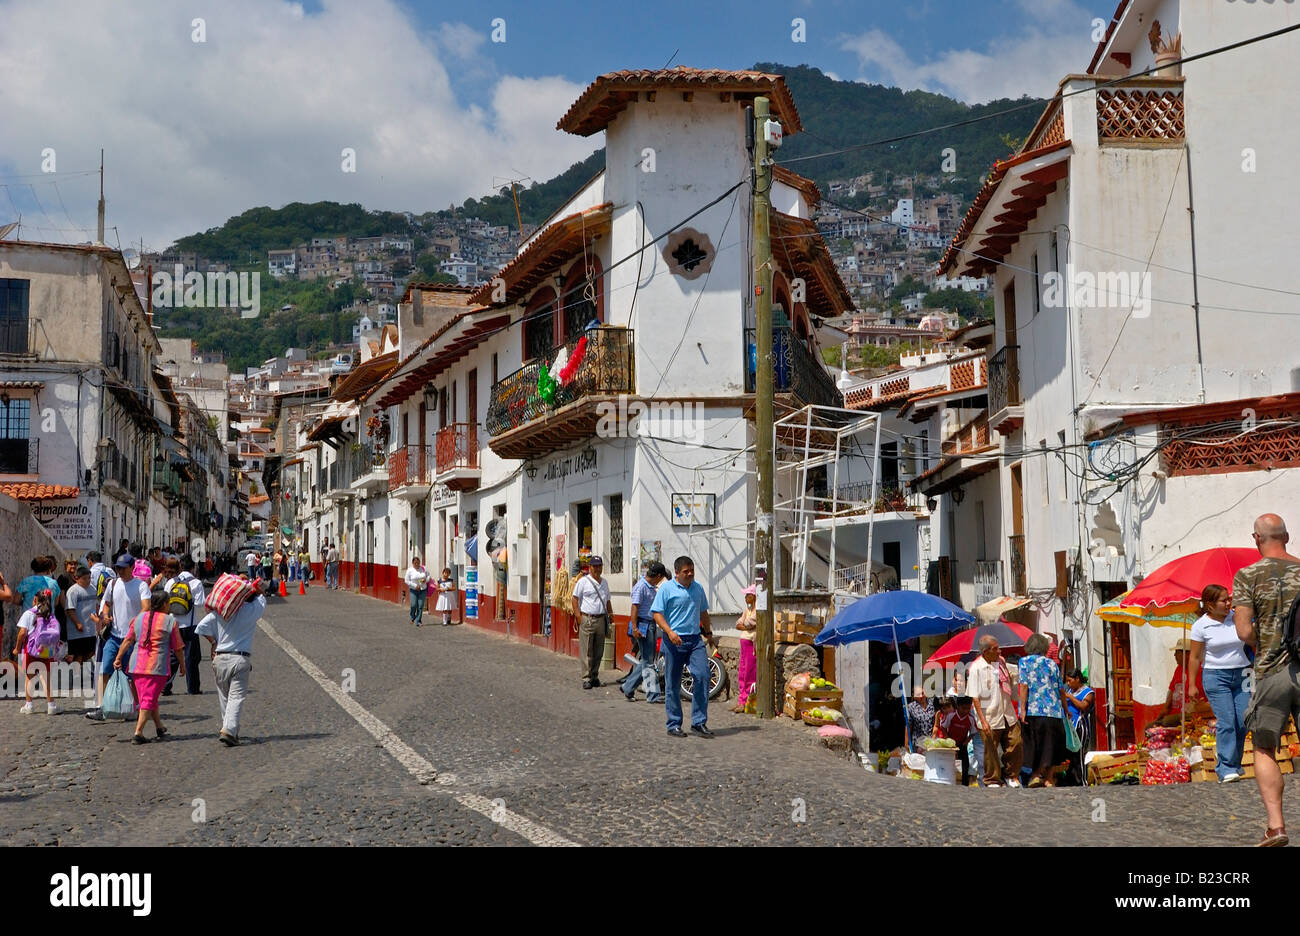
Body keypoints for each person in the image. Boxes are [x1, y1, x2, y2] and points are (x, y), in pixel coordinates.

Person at [1233, 513, 1300, 846]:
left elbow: (1244, 630)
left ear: (1256, 538)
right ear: (1287, 537)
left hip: (1272, 671)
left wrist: (1269, 642)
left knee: (1263, 747)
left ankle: (1277, 827)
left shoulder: (1247, 575)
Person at [1188, 584, 1251, 783]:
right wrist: (1192, 684)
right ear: (1209, 605)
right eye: (1223, 600)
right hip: (1216, 677)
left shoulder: (1236, 618)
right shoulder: (1200, 626)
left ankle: (1234, 763)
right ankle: (1225, 768)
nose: (1228, 603)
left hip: (1243, 674)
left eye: (1228, 599)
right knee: (1227, 721)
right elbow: (1195, 657)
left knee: (1243, 722)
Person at [196, 579, 267, 746]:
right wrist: (255, 589)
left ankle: (229, 729)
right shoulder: (253, 610)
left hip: (219, 658)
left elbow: (200, 627)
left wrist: (214, 642)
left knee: (224, 697)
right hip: (240, 658)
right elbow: (262, 596)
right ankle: (229, 730)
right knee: (236, 697)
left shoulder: (220, 612)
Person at [651, 555, 715, 738]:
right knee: (672, 683)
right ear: (677, 572)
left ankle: (699, 722)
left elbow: (703, 612)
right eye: (686, 571)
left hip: (695, 640)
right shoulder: (666, 589)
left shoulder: (698, 588)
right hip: (673, 641)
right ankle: (673, 724)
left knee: (703, 675)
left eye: (692, 571)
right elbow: (657, 614)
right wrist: (669, 632)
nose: (690, 574)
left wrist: (708, 633)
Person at [113, 588, 185, 743]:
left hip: (136, 665)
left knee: (148, 698)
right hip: (156, 666)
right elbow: (178, 647)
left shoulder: (138, 619)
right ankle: (138, 733)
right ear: (165, 604)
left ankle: (159, 727)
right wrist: (183, 665)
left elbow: (127, 640)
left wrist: (118, 657)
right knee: (148, 700)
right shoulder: (170, 621)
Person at [86, 553, 151, 722]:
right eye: (117, 568)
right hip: (114, 636)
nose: (120, 571)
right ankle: (102, 707)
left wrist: (136, 620)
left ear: (131, 568)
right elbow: (106, 603)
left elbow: (146, 607)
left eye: (122, 568)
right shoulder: (113, 584)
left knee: (132, 676)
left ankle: (133, 707)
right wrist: (105, 615)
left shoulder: (141, 586)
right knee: (104, 670)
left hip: (133, 639)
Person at [969, 634, 1023, 787]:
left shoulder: (1002, 663)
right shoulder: (976, 669)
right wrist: (982, 720)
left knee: (1016, 742)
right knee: (991, 749)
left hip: (1007, 712)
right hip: (989, 715)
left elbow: (1008, 685)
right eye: (995, 649)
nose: (999, 651)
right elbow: (975, 697)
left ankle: (1011, 775)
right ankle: (992, 779)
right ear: (985, 652)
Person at [1017, 633, 1070, 788]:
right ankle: (1048, 778)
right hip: (1054, 711)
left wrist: (1022, 710)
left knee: (1035, 744)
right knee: (1053, 745)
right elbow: (1060, 689)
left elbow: (1024, 686)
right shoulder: (1052, 663)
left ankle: (1035, 775)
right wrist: (1065, 709)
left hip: (1034, 710)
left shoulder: (1024, 662)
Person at [13, 589, 61, 714]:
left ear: (35, 599)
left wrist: (17, 648)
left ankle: (29, 705)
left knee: (29, 677)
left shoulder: (28, 614)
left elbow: (22, 633)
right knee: (45, 677)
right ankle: (51, 705)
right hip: (45, 649)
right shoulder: (50, 614)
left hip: (31, 649)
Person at [624, 562, 666, 704]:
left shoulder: (650, 587)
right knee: (648, 663)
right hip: (644, 625)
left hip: (650, 624)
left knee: (646, 661)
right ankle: (652, 695)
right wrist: (635, 628)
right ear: (658, 576)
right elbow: (634, 607)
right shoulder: (641, 587)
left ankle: (628, 686)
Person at [163, 555, 205, 695]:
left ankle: (165, 686)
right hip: (191, 624)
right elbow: (199, 603)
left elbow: (165, 601)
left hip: (173, 624)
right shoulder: (196, 583)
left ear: (180, 567)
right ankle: (193, 688)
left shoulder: (171, 582)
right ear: (193, 568)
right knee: (192, 657)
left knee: (172, 656)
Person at [572, 555, 613, 690]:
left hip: (601, 618)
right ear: (590, 567)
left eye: (599, 566)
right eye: (594, 566)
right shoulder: (583, 582)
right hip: (587, 619)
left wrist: (611, 615)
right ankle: (586, 677)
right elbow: (575, 599)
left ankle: (595, 675)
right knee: (587, 650)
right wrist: (578, 617)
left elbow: (607, 601)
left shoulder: (604, 583)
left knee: (599, 649)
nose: (597, 569)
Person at [1155, 638, 1208, 727]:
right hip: (1174, 714)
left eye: (1177, 652)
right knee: (1150, 727)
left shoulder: (1202, 670)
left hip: (1192, 714)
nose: (1174, 655)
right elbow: (1172, 691)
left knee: (1166, 722)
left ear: (1187, 654)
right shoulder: (1179, 669)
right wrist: (1163, 712)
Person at [730, 583, 758, 712]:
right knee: (742, 672)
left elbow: (748, 623)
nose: (746, 597)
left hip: (751, 644)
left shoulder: (757, 611)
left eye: (748, 595)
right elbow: (738, 623)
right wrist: (744, 625)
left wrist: (744, 625)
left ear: (754, 596)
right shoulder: (748, 610)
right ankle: (741, 699)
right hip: (744, 642)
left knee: (749, 673)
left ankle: (746, 701)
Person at [1064, 670, 1094, 785]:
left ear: (1077, 679)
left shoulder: (1088, 692)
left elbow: (1083, 706)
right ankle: (1071, 779)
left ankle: (1082, 780)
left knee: (1079, 754)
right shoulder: (1069, 690)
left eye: (1070, 680)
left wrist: (1070, 697)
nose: (1068, 683)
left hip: (1080, 726)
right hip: (1069, 726)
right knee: (1070, 754)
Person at [64, 566, 99, 665]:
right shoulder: (73, 591)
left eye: (89, 578)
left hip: (90, 629)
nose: (87, 580)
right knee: (78, 654)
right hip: (77, 631)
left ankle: (82, 671)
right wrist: (77, 623)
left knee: (90, 653)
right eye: (84, 578)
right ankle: (76, 676)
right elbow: (70, 609)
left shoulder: (92, 588)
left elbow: (95, 604)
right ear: (77, 578)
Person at [941, 695, 977, 786]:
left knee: (965, 767)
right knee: (949, 764)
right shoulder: (951, 716)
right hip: (951, 746)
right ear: (958, 706)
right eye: (963, 708)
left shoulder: (971, 719)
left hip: (962, 745)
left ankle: (965, 786)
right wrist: (947, 739)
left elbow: (973, 732)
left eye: (968, 708)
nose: (965, 711)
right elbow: (943, 727)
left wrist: (967, 741)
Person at [906, 685, 936, 753]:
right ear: (914, 696)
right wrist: (906, 743)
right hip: (917, 743)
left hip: (931, 742)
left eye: (922, 693)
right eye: (918, 694)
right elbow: (908, 726)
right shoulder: (911, 707)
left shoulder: (932, 704)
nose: (921, 696)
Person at [405, 555, 430, 626]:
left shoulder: (424, 568)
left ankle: (418, 621)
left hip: (423, 590)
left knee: (420, 606)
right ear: (412, 563)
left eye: (418, 563)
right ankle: (412, 616)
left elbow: (428, 576)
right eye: (415, 563)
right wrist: (415, 586)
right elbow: (406, 581)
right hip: (413, 590)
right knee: (413, 605)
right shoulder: (410, 570)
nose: (417, 564)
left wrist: (426, 580)